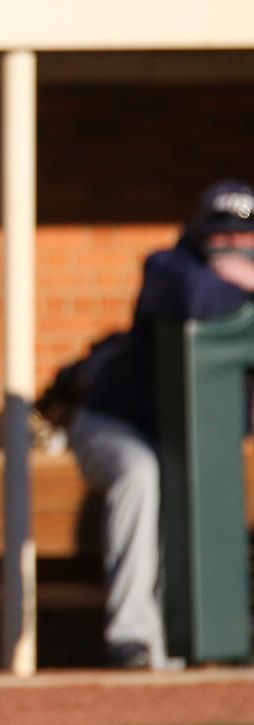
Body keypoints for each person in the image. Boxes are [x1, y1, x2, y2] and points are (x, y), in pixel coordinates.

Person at [70, 179, 254, 669]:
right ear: (199, 233)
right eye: (220, 236)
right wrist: (238, 280)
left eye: (244, 237)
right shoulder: (169, 266)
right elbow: (195, 297)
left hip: (199, 442)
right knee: (141, 473)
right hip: (115, 425)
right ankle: (132, 635)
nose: (232, 247)